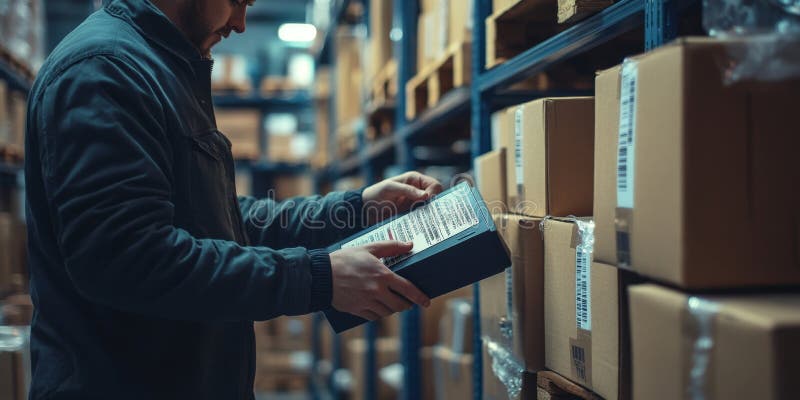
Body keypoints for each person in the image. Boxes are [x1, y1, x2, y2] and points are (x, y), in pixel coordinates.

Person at [24, 0, 443, 398]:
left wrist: (357, 208)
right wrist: (318, 279)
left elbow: (220, 219)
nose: (240, 24)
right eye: (238, 1)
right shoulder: (104, 72)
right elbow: (129, 258)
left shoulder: (160, 67)